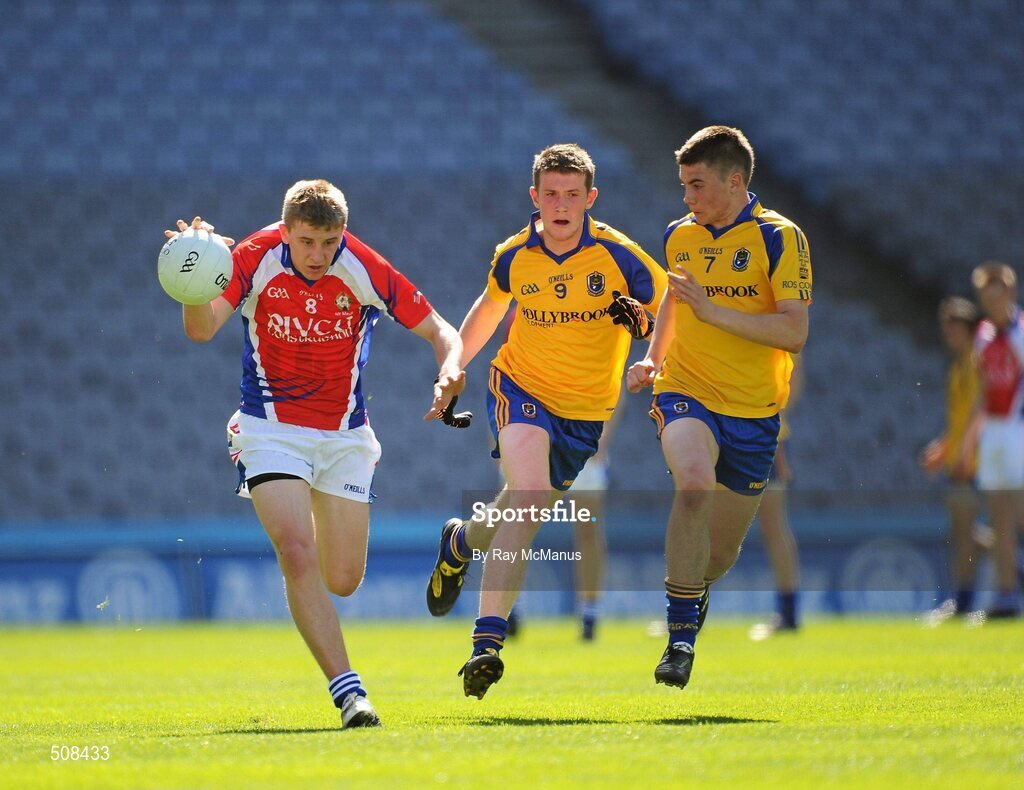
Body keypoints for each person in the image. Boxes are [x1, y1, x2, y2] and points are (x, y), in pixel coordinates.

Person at [165, 180, 465, 728]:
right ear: (286, 230)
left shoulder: (361, 265)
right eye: (307, 242)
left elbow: (441, 329)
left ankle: (321, 517)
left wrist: (449, 367)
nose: (318, 255)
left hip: (345, 436)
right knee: (296, 552)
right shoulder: (253, 256)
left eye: (328, 242)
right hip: (269, 429)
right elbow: (203, 329)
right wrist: (189, 284)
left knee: (343, 578)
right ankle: (350, 694)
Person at [424, 143, 667, 699]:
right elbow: (489, 308)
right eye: (551, 194)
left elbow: (667, 310)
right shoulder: (514, 255)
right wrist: (455, 365)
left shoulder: (619, 256)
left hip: (585, 415)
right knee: (529, 495)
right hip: (519, 388)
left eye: (572, 195)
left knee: (517, 502)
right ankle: (486, 643)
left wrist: (649, 337)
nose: (561, 205)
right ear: (535, 197)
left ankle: (460, 543)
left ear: (590, 198)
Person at [627, 126, 811, 690]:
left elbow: (794, 331)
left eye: (697, 185)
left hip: (755, 412)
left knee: (720, 553)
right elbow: (673, 304)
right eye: (683, 185)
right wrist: (654, 357)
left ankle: (693, 593)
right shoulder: (679, 236)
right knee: (691, 484)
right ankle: (680, 639)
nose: (687, 198)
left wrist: (713, 312)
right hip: (686, 388)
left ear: (735, 180)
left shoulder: (781, 238)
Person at [919, 296, 983, 624]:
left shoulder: (975, 363)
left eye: (954, 327)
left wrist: (965, 450)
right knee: (966, 533)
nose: (949, 334)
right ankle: (966, 598)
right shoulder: (961, 364)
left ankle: (963, 602)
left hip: (973, 461)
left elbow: (979, 410)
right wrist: (944, 448)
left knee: (963, 534)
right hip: (962, 457)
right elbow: (960, 419)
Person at [967, 262, 1023, 619]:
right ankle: (1006, 596)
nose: (992, 305)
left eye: (997, 296)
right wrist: (970, 438)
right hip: (994, 432)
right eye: (986, 298)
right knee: (999, 517)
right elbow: (982, 390)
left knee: (1018, 513)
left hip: (1019, 428)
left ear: (1010, 294)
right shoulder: (983, 334)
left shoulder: (1020, 333)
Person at [749, 356, 803, 640]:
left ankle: (789, 612)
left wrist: (774, 421)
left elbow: (795, 379)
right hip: (747, 428)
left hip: (766, 435)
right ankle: (689, 612)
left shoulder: (778, 319)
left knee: (773, 527)